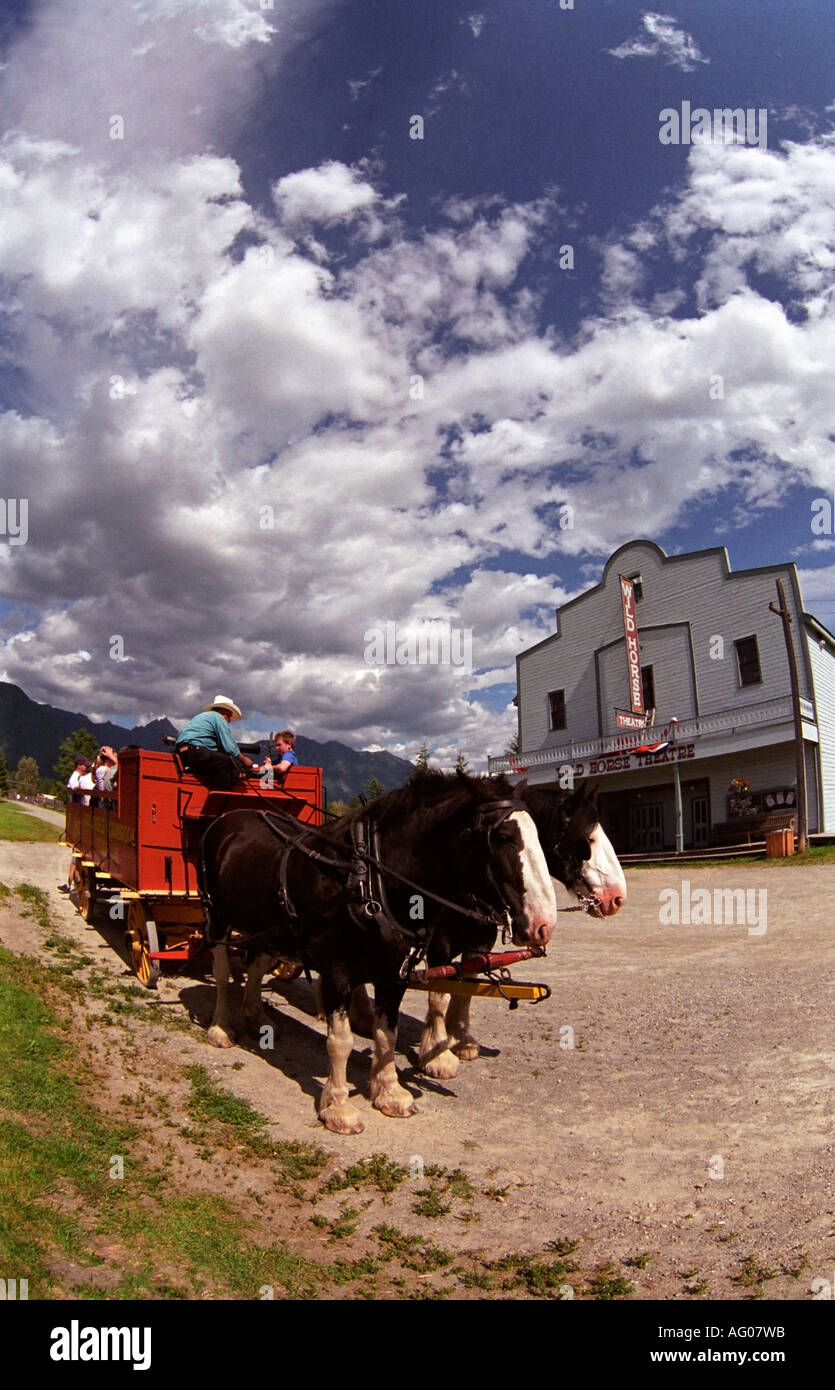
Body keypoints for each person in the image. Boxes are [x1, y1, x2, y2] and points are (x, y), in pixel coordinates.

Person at [173, 695, 251, 790]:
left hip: (183, 752)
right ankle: (220, 798)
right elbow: (229, 746)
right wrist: (243, 759)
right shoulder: (218, 717)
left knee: (216, 763)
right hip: (195, 751)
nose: (229, 720)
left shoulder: (202, 717)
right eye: (229, 715)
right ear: (223, 711)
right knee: (227, 762)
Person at [59, 756, 94, 893]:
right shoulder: (76, 777)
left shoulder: (77, 777)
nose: (86, 768)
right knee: (76, 851)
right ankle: (70, 882)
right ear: (79, 766)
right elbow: (73, 787)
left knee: (76, 851)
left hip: (79, 818)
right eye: (85, 766)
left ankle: (69, 882)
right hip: (80, 818)